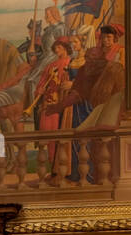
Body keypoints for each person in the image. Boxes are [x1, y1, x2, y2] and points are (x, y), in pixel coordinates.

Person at [33, 38, 90, 185]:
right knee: (51, 137)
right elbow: (42, 82)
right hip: (52, 103)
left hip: (65, 104)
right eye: (55, 48)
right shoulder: (51, 65)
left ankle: (64, 172)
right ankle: (55, 170)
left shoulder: (71, 62)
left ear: (65, 48)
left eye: (59, 48)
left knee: (62, 138)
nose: (57, 51)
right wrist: (40, 89)